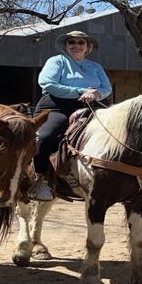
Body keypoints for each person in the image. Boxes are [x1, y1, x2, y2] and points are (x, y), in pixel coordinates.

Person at [30, 30, 112, 200]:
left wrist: (96, 94)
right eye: (71, 42)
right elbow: (47, 83)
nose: (76, 45)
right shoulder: (57, 61)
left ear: (87, 47)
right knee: (46, 136)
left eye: (81, 42)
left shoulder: (96, 67)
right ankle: (40, 179)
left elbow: (107, 88)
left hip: (89, 108)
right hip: (57, 106)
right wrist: (81, 91)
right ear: (65, 46)